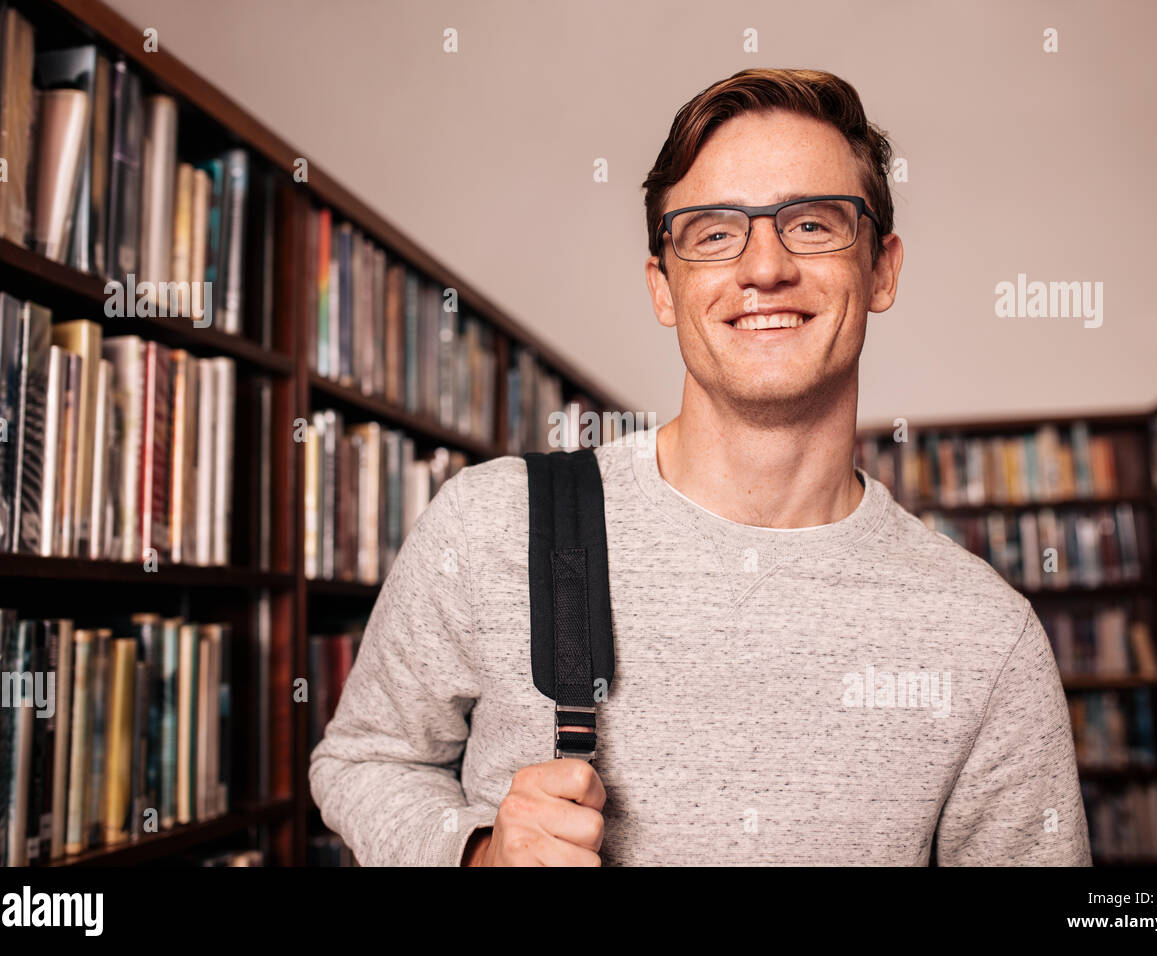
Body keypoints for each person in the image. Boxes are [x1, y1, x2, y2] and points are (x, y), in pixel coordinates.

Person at [309, 67, 1092, 866]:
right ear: (663, 285)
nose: (764, 268)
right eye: (714, 232)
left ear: (882, 269)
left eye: (813, 224)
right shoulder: (491, 523)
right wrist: (473, 853)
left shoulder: (987, 636)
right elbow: (364, 760)